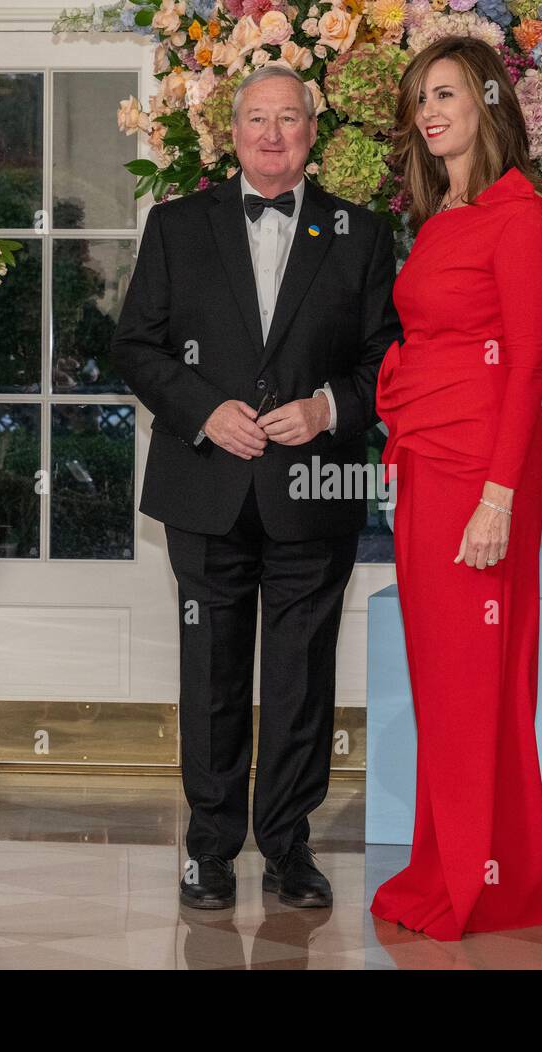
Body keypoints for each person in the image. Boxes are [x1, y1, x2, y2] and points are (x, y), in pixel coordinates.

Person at [112, 64, 401, 910]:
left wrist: (325, 407)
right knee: (210, 672)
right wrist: (205, 411)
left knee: (303, 675)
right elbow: (137, 346)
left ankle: (288, 846)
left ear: (313, 133)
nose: (272, 135)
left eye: (288, 119)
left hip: (317, 483)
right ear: (232, 135)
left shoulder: (364, 231)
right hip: (206, 488)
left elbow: (387, 358)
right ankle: (207, 850)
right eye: (255, 120)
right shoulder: (175, 224)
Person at [369, 36, 542, 941]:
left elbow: (528, 360)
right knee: (442, 678)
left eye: (448, 93)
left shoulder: (519, 213)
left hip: (480, 474)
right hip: (427, 462)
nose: (431, 111)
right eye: (422, 97)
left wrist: (498, 495)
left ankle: (484, 878)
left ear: (490, 104)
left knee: (474, 678)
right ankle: (457, 862)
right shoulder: (439, 219)